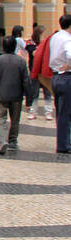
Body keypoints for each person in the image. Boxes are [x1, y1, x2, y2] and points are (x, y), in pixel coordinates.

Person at [0, 35, 30, 156]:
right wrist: (29, 99)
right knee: (15, 119)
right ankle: (12, 140)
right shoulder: (21, 61)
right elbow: (26, 81)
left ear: (3, 47)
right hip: (17, 95)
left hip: (1, 95)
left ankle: (2, 140)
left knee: (0, 118)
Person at [48, 15, 71, 158]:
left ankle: (64, 142)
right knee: (66, 113)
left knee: (61, 111)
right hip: (66, 76)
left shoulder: (55, 37)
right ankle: (64, 145)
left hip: (56, 76)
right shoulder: (68, 39)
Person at [26, 24, 53, 121]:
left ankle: (48, 112)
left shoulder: (47, 43)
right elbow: (34, 53)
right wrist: (42, 45)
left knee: (48, 92)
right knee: (34, 93)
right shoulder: (30, 43)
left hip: (45, 71)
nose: (44, 37)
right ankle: (33, 111)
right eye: (43, 35)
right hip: (35, 72)